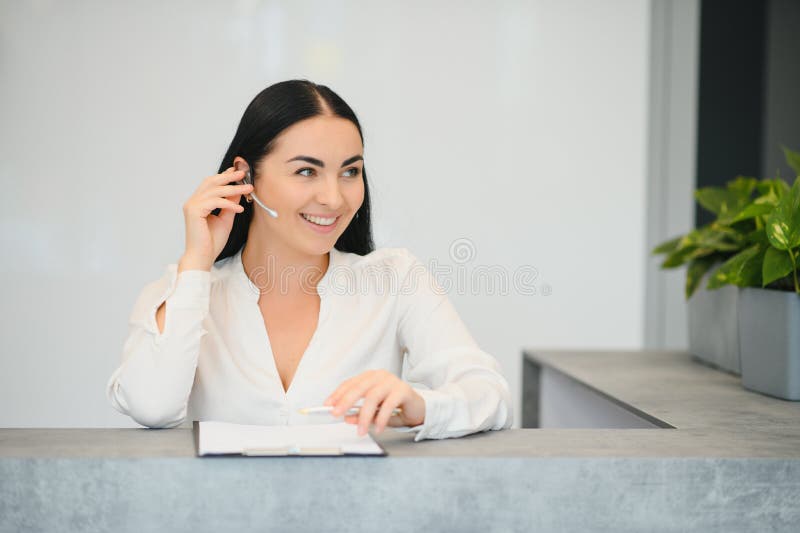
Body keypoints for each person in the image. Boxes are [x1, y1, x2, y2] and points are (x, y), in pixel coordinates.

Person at [105, 79, 513, 441]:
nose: (334, 198)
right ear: (245, 176)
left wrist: (418, 406)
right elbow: (151, 406)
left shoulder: (393, 279)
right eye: (306, 172)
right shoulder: (185, 292)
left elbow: (490, 396)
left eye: (350, 172)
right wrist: (197, 261)